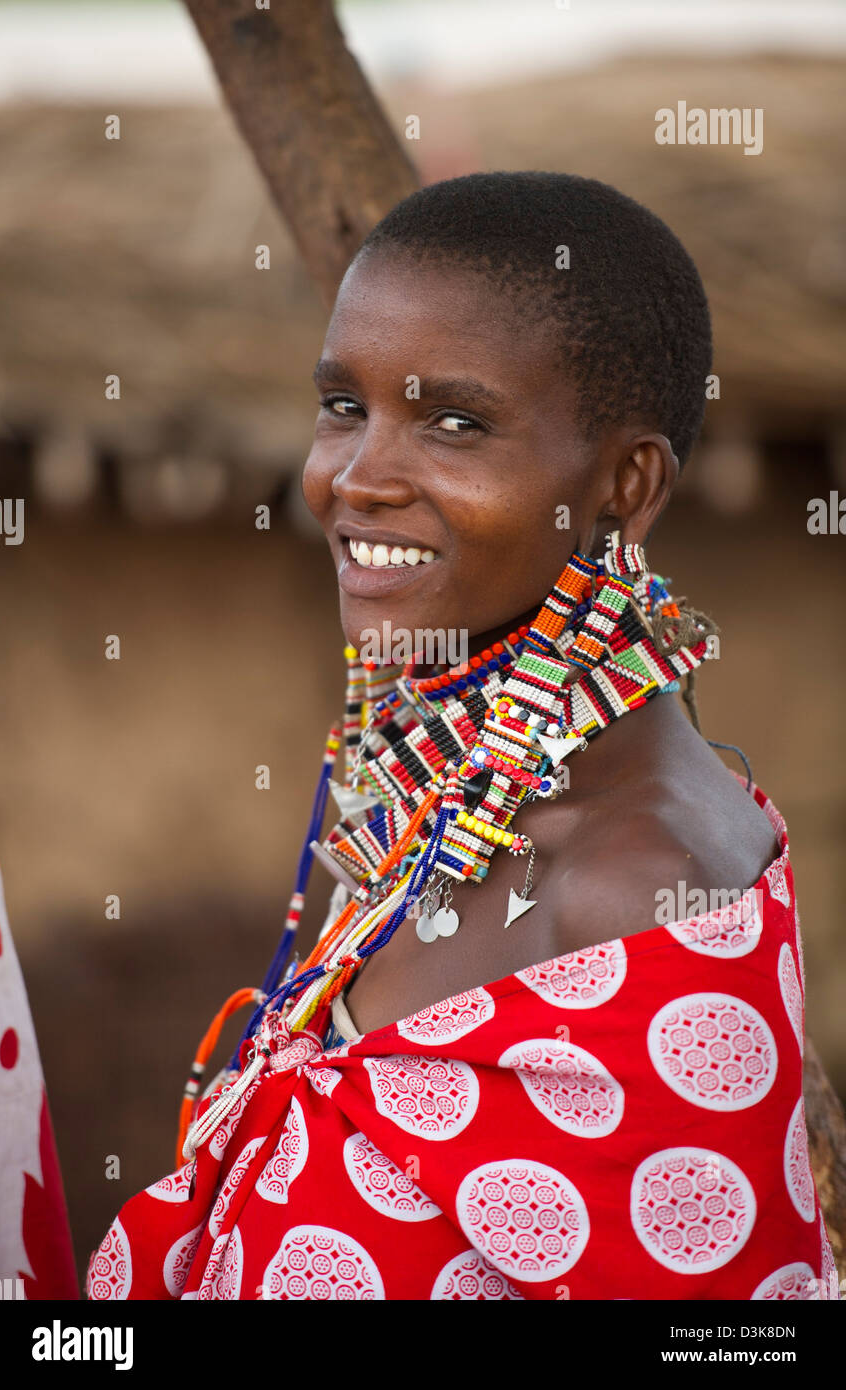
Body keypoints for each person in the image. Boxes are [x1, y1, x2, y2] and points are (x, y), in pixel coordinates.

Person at [87, 172, 837, 1300]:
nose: (355, 479)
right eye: (344, 405)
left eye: (456, 423)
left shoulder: (641, 889)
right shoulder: (446, 794)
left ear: (625, 485)